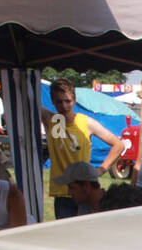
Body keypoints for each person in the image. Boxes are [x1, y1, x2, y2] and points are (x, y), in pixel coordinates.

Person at [42, 78, 125, 219]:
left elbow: (119, 144)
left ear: (74, 101)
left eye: (67, 101)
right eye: (59, 102)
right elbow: (27, 102)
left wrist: (102, 168)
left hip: (85, 191)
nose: (64, 106)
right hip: (63, 192)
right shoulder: (53, 121)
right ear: (53, 102)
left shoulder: (85, 122)